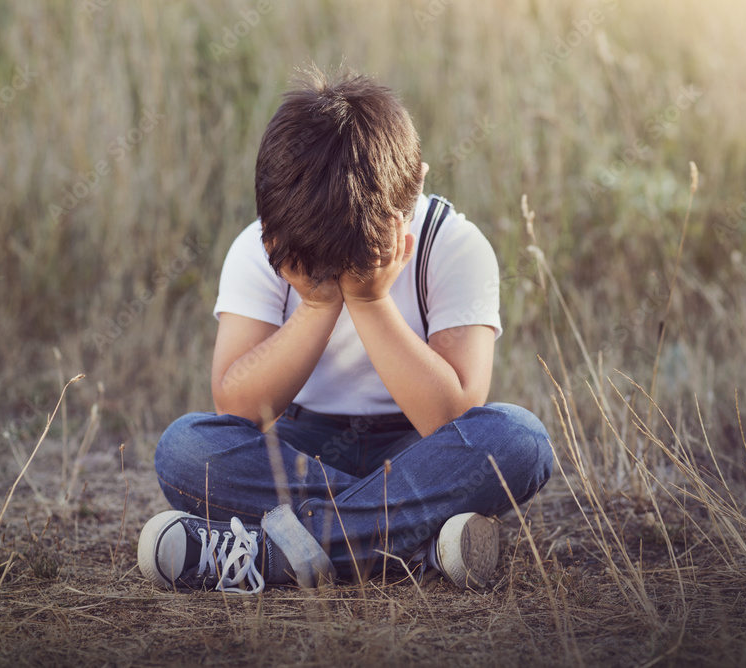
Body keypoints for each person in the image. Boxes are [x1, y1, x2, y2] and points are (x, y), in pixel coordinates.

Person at [137, 66, 553, 593]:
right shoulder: (259, 246)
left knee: (519, 439)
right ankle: (415, 540)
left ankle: (269, 554)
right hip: (303, 448)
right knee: (185, 450)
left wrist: (370, 298)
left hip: (418, 450)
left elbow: (453, 418)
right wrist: (315, 305)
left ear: (415, 189)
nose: (331, 271)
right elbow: (236, 407)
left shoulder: (452, 246)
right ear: (272, 227)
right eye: (317, 261)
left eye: (350, 257)